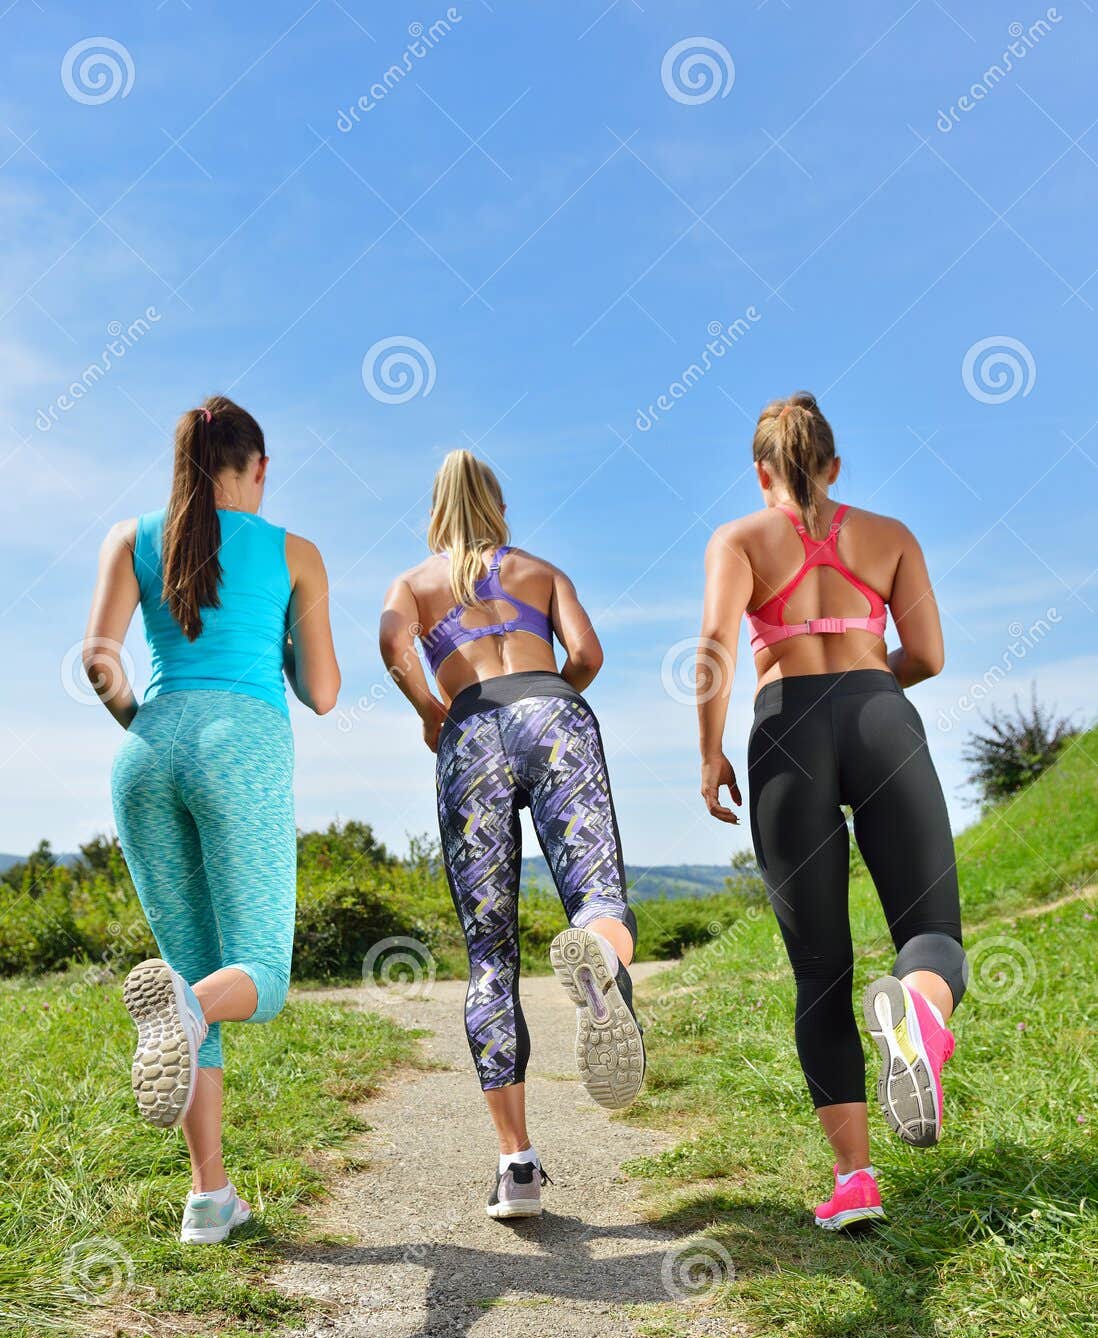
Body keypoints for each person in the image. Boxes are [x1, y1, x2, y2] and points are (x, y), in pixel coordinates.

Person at [697, 393, 966, 1231]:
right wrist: (870, 679)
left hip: (786, 733)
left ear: (761, 471)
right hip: (882, 717)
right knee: (930, 931)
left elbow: (712, 649)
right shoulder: (890, 536)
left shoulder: (739, 539)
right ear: (835, 466)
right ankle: (919, 1016)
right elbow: (928, 654)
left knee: (821, 970)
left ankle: (856, 1182)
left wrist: (709, 752)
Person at [83, 395, 340, 1243]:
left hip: (147, 751)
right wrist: (278, 641)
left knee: (189, 971)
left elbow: (100, 658)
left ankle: (209, 1199)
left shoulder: (130, 537)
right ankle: (187, 1014)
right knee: (255, 979)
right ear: (258, 468)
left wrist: (146, 724)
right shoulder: (294, 552)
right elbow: (323, 693)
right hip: (243, 745)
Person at [379, 449, 643, 1220]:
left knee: (490, 952)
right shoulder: (542, 570)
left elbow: (393, 646)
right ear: (497, 503)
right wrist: (554, 695)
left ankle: (516, 1166)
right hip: (553, 713)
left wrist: (434, 709)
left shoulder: (415, 584)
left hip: (471, 732)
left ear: (435, 509)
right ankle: (597, 958)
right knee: (598, 896)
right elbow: (589, 654)